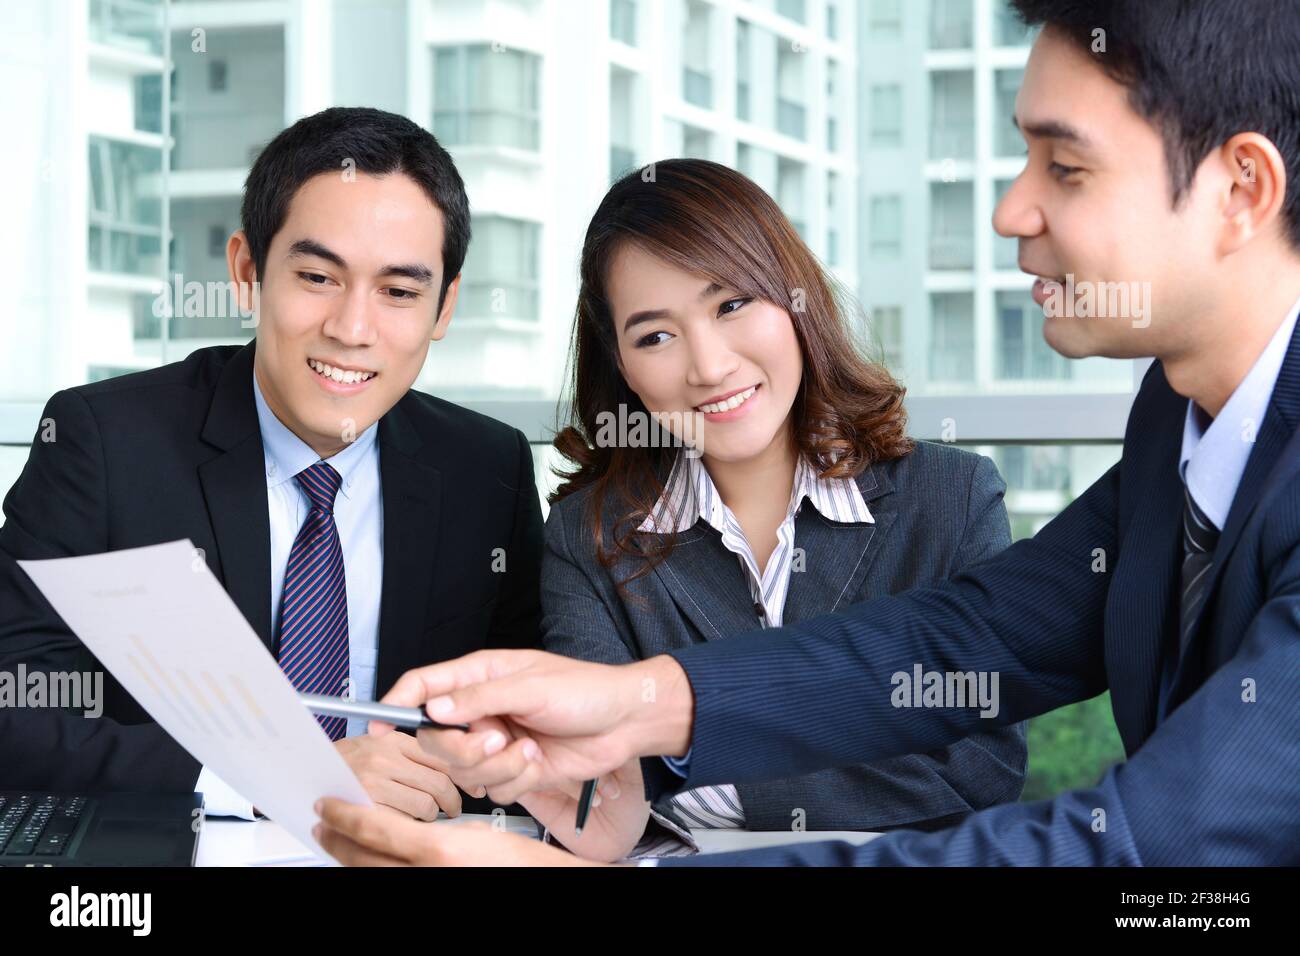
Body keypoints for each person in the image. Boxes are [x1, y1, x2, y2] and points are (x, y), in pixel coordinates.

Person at [314, 0, 1300, 865]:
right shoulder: (1177, 419)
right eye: (654, 334)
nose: (1009, 208)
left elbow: (1148, 851)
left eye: (1065, 166)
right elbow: (965, 639)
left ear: (1242, 191)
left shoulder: (960, 486)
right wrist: (634, 703)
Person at [0, 107, 543, 821]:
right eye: (318, 277)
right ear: (248, 272)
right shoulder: (103, 442)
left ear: (444, 307)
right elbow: (13, 709)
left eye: (400, 292)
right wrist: (278, 780)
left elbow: (527, 718)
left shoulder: (486, 469)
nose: (352, 329)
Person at [526, 159, 1024, 860]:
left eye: (731, 305)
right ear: (623, 369)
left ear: (796, 301)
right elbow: (597, 785)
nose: (709, 365)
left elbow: (977, 770)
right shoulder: (590, 535)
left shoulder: (950, 500)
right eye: (655, 335)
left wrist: (689, 766)